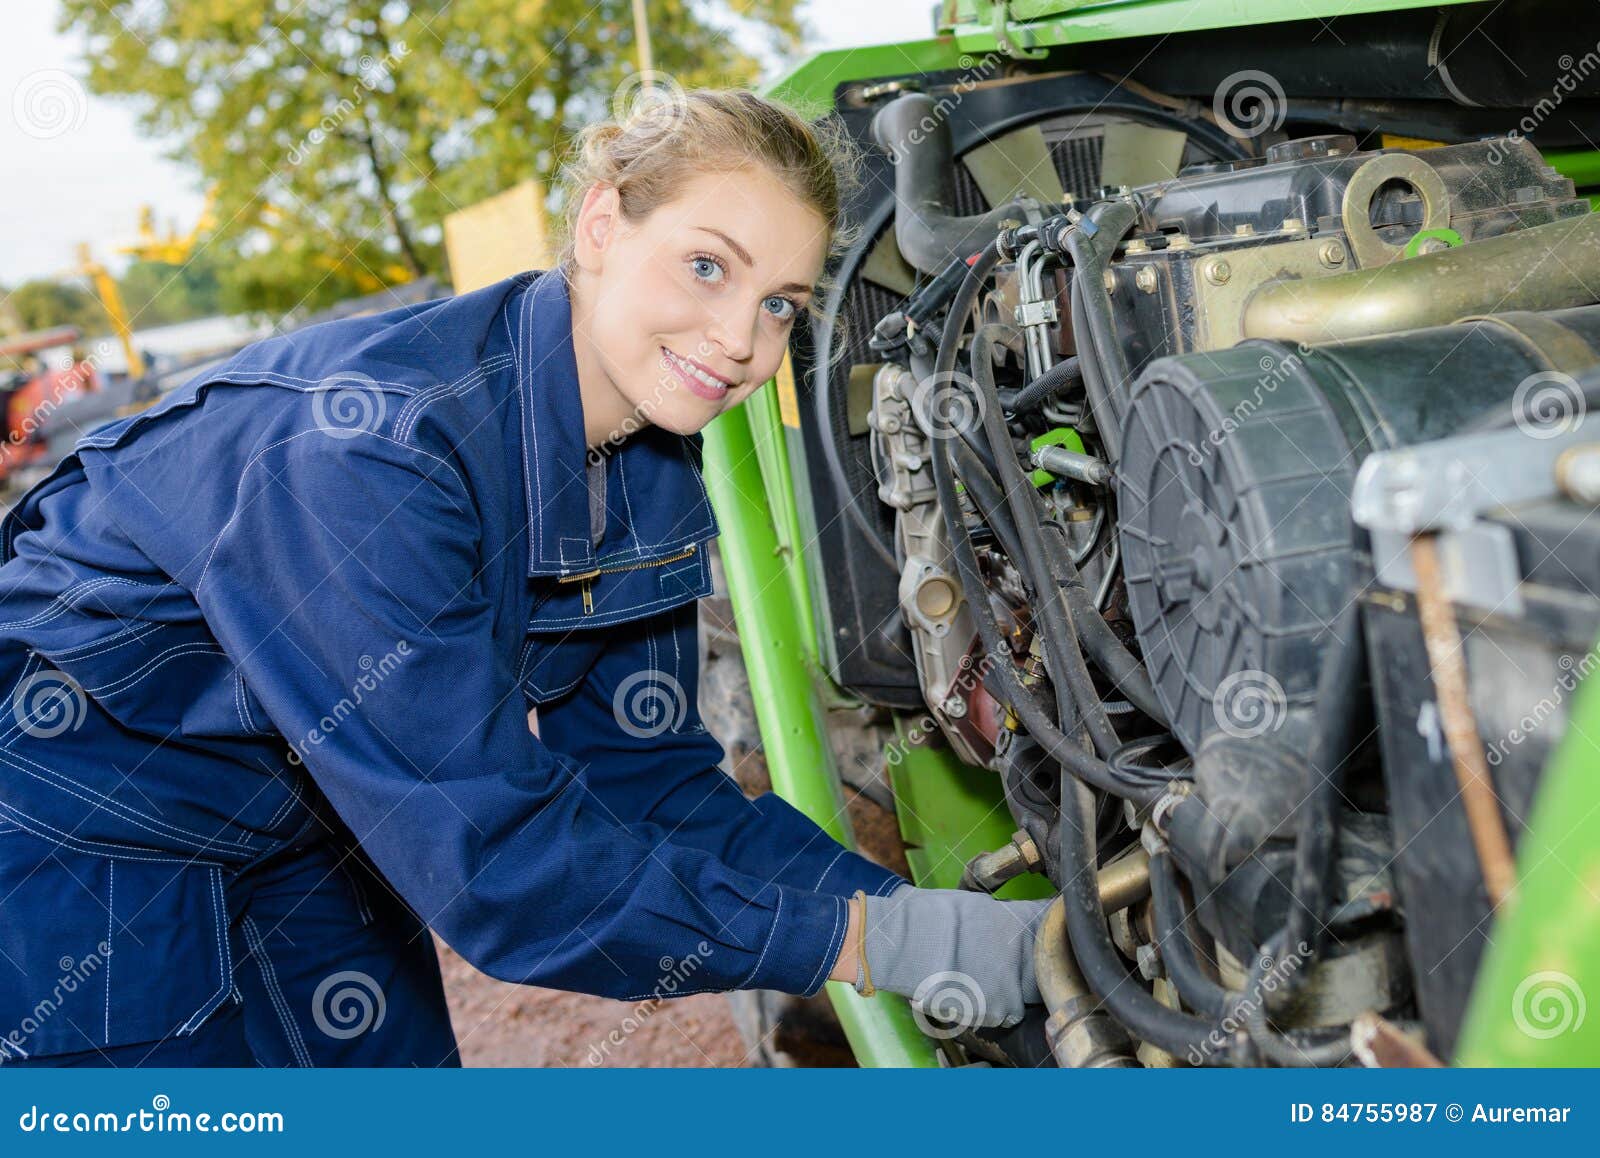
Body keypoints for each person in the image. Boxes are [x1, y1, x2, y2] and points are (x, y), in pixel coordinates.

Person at [0, 88, 1049, 1068]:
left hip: (304, 814)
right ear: (601, 227)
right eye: (706, 267)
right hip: (81, 824)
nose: (739, 340)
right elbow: (502, 873)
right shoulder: (377, 454)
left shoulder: (643, 455)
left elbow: (654, 786)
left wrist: (931, 927)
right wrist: (868, 942)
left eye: (780, 305)